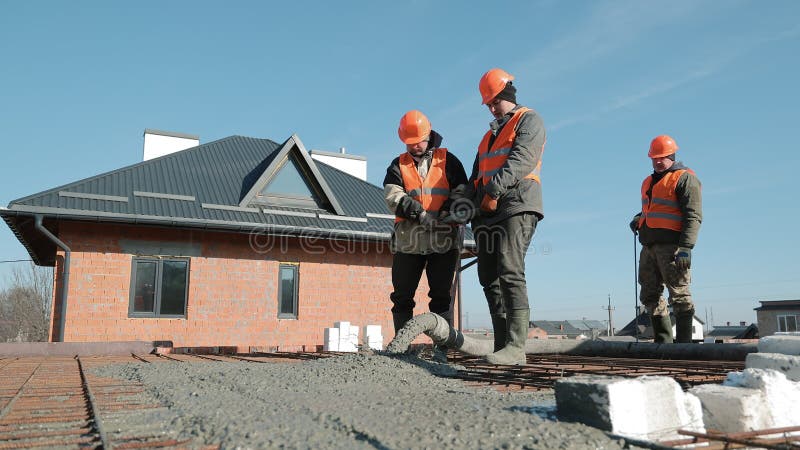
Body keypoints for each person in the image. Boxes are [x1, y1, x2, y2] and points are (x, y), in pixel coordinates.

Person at [457, 68, 546, 365]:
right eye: (489, 104)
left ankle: (516, 347)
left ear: (509, 94)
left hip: (517, 205)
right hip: (486, 213)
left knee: (509, 268)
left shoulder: (529, 120)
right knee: (488, 277)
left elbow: (522, 160)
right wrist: (462, 206)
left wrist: (493, 191)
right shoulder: (487, 138)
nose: (493, 108)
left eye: (496, 102)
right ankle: (501, 346)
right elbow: (475, 179)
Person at [383, 110, 468, 360]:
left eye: (418, 141)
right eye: (410, 143)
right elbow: (393, 197)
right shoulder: (398, 164)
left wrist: (447, 212)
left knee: (441, 299)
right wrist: (420, 215)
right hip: (408, 243)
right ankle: (401, 350)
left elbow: (462, 191)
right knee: (401, 297)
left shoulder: (448, 161)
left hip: (443, 242)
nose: (415, 146)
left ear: (428, 135)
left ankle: (441, 351)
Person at [630, 135, 702, 343]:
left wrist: (686, 247)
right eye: (655, 158)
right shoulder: (649, 181)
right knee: (649, 295)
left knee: (679, 295)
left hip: (673, 248)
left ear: (672, 156)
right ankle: (663, 344)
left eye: (662, 157)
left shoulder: (685, 178)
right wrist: (639, 219)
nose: (658, 161)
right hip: (649, 246)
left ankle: (684, 347)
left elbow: (693, 215)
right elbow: (653, 209)